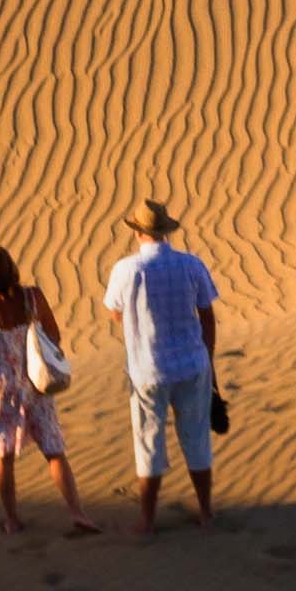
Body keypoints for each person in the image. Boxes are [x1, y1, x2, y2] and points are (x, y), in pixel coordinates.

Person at [100, 196, 225, 536]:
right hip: (192, 363)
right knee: (196, 438)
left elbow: (114, 312)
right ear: (166, 231)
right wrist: (208, 357)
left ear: (138, 233)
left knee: (148, 442)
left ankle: (148, 520)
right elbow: (207, 314)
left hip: (148, 370)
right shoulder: (191, 264)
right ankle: (206, 512)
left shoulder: (126, 270)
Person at [0, 245, 98, 538]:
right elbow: (54, 334)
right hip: (36, 385)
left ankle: (12, 520)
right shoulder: (33, 296)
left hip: (3, 389)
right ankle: (77, 513)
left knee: (4, 456)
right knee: (54, 451)